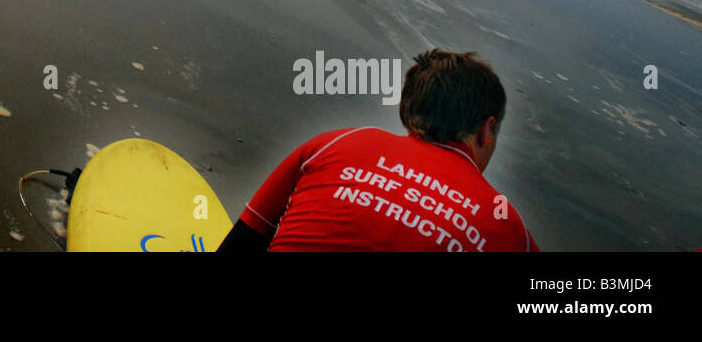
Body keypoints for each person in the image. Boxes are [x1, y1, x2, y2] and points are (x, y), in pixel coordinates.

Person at [218, 48, 538, 251]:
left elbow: (246, 237)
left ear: (407, 108)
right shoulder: (508, 229)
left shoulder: (335, 145)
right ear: (487, 130)